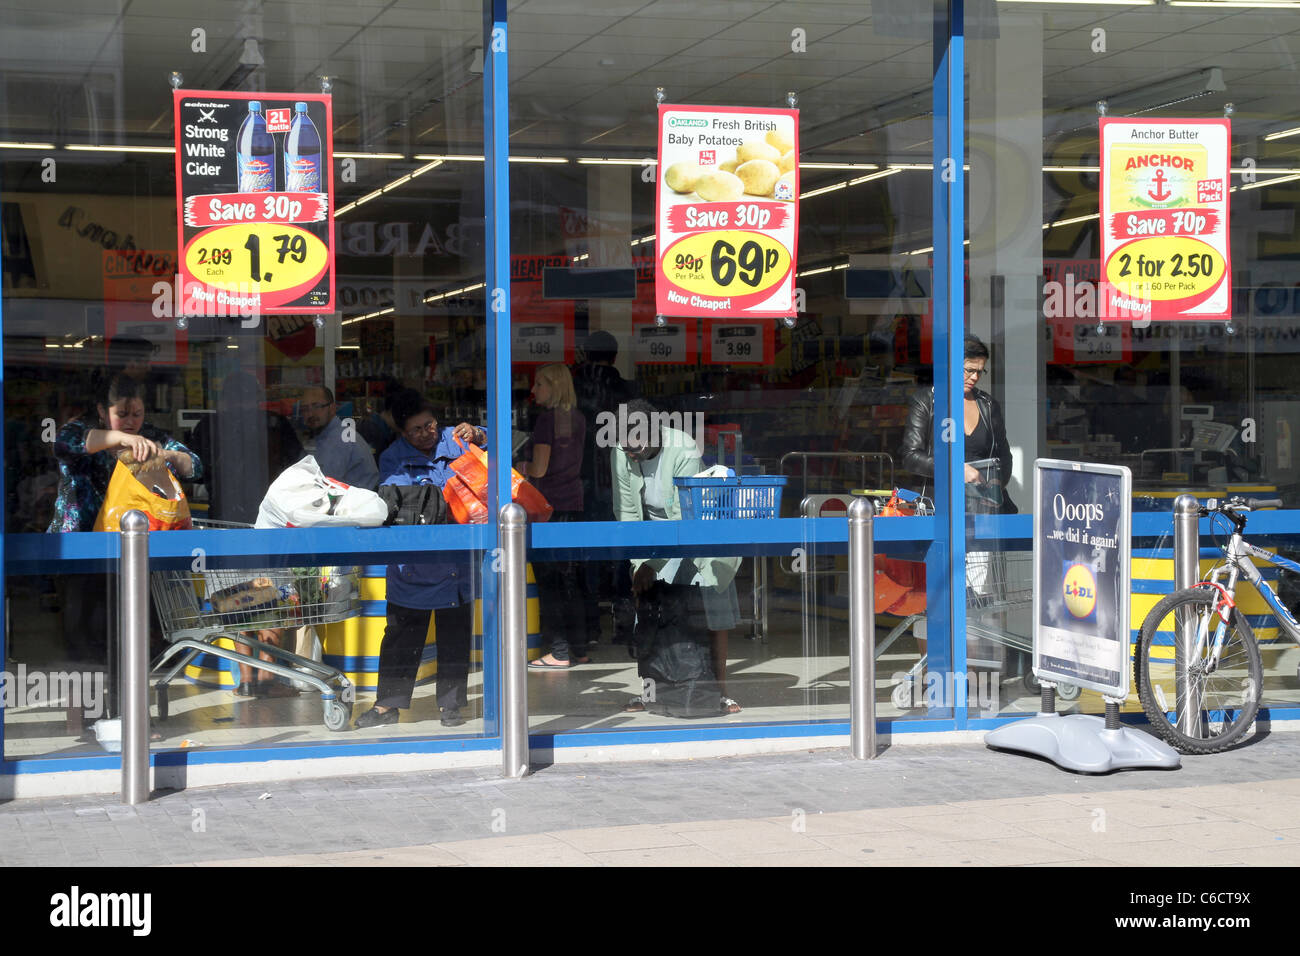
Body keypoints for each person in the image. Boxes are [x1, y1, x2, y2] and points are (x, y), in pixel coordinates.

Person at [49, 374, 202, 672]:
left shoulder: (151, 435)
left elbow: (194, 465)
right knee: (83, 631)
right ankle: (86, 707)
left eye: (137, 414)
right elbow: (64, 445)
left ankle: (128, 703)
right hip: (83, 546)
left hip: (133, 551)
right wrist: (122, 439)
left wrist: (165, 454)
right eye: (121, 414)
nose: (131, 422)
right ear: (102, 410)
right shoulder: (80, 429)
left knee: (129, 630)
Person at [353, 391, 487, 729]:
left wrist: (480, 434)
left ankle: (452, 705)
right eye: (416, 430)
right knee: (400, 638)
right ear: (402, 432)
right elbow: (403, 507)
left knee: (455, 637)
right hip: (412, 565)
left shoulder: (455, 440)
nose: (426, 433)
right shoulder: (393, 459)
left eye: (429, 425)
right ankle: (387, 706)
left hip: (456, 563)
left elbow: (494, 453)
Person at [612, 399, 730, 718]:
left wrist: (652, 565)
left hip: (692, 534)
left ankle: (717, 693)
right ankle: (652, 693)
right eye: (625, 447)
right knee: (647, 617)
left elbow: (683, 518)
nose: (630, 454)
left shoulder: (683, 449)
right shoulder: (621, 452)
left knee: (706, 616)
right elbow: (627, 513)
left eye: (636, 447)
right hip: (650, 539)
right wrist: (639, 566)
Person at [192, 371, 305, 698]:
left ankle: (247, 680)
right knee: (271, 600)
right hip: (266, 526)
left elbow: (194, 471)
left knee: (236, 603)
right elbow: (299, 470)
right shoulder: (274, 425)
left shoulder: (208, 427)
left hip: (224, 529)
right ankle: (266, 678)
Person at [518, 364, 588, 669]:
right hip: (573, 503)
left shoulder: (547, 421)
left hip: (548, 507)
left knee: (550, 583)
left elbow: (540, 469)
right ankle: (580, 648)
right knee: (570, 581)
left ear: (555, 386)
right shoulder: (578, 419)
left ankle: (558, 651)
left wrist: (521, 465)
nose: (535, 391)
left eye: (540, 384)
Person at [900, 334, 1017, 515]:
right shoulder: (926, 401)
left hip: (983, 508)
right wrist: (955, 469)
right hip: (939, 504)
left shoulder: (987, 404)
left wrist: (997, 484)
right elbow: (910, 456)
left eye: (980, 371)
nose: (975, 377)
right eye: (969, 370)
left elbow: (1004, 455)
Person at [572, 330, 636, 645]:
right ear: (614, 356)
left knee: (587, 550)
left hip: (581, 480)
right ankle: (624, 623)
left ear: (585, 353)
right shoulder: (627, 390)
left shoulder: (572, 386)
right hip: (620, 480)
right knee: (623, 549)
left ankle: (589, 627)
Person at [298, 385, 379, 490]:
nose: (310, 414)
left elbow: (321, 487)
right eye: (305, 409)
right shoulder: (324, 435)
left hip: (354, 503)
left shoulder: (339, 440)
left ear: (332, 408)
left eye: (316, 406)